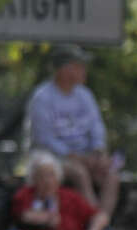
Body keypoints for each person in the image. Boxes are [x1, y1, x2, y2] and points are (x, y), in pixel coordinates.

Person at [27, 44, 120, 216]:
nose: (84, 71)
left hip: (84, 155)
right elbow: (44, 139)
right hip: (54, 157)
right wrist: (76, 157)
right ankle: (95, 221)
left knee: (111, 176)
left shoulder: (85, 95)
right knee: (80, 174)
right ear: (64, 70)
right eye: (79, 66)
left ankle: (101, 223)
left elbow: (96, 127)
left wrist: (98, 152)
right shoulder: (42, 97)